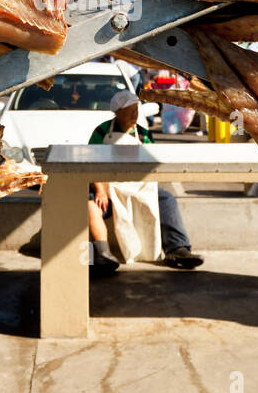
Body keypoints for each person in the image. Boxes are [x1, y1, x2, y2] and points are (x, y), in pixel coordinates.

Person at [86, 90, 204, 277]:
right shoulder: (101, 132)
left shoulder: (143, 134)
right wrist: (101, 190)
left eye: (136, 110)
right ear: (117, 112)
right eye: (129, 110)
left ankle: (177, 249)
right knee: (91, 204)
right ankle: (102, 253)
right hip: (108, 187)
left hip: (136, 185)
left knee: (166, 199)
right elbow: (90, 165)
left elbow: (152, 164)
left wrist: (147, 187)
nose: (134, 114)